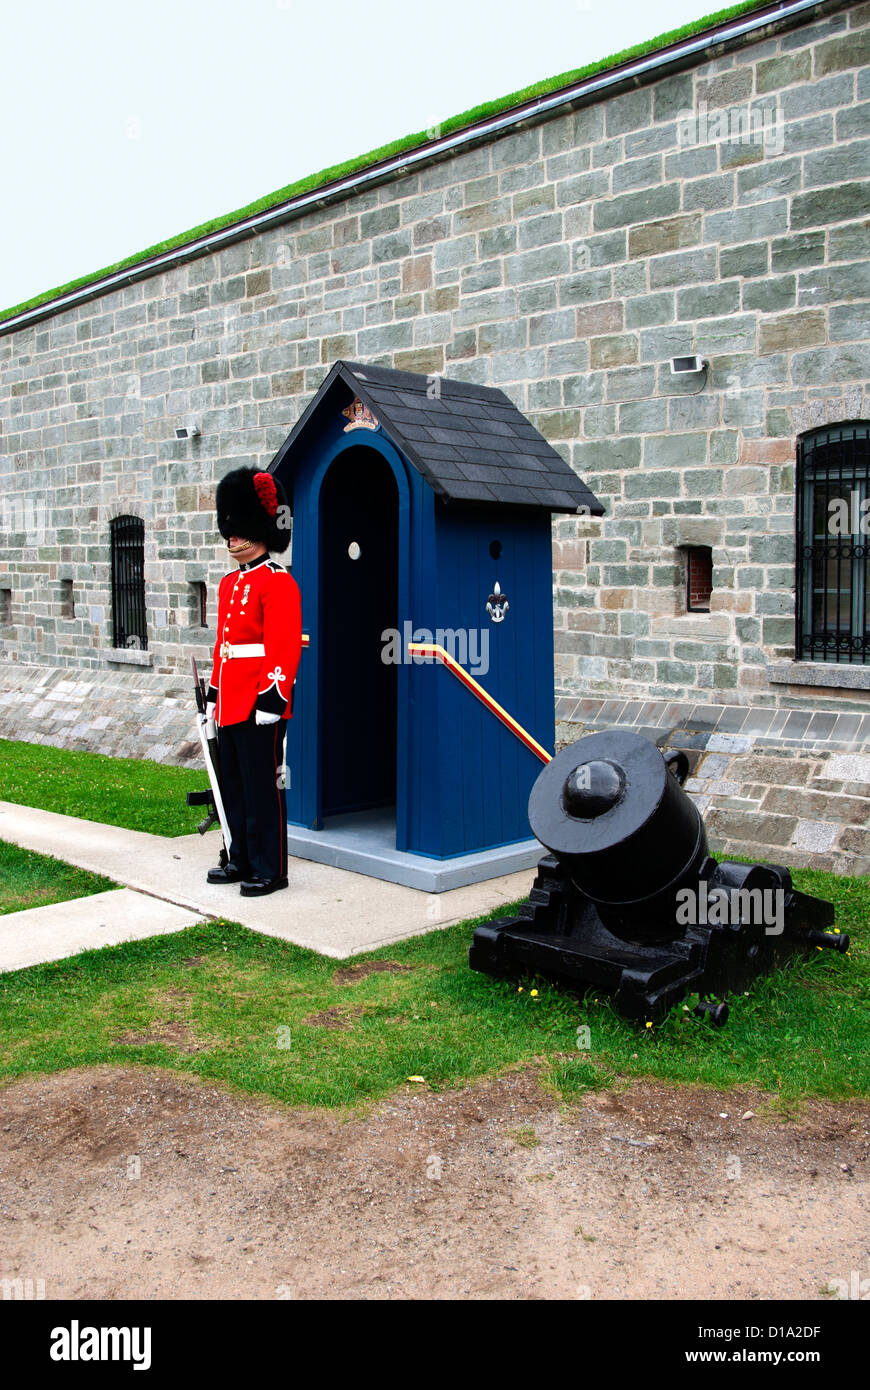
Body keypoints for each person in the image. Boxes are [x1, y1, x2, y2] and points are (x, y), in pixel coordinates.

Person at [204, 466, 301, 896]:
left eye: (238, 528)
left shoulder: (278, 582)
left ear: (260, 531)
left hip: (261, 701)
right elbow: (223, 646)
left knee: (264, 787)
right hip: (230, 701)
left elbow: (282, 646)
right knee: (234, 785)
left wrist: (272, 698)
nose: (231, 537)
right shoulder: (228, 584)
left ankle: (270, 868)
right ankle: (239, 857)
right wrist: (213, 694)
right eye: (230, 528)